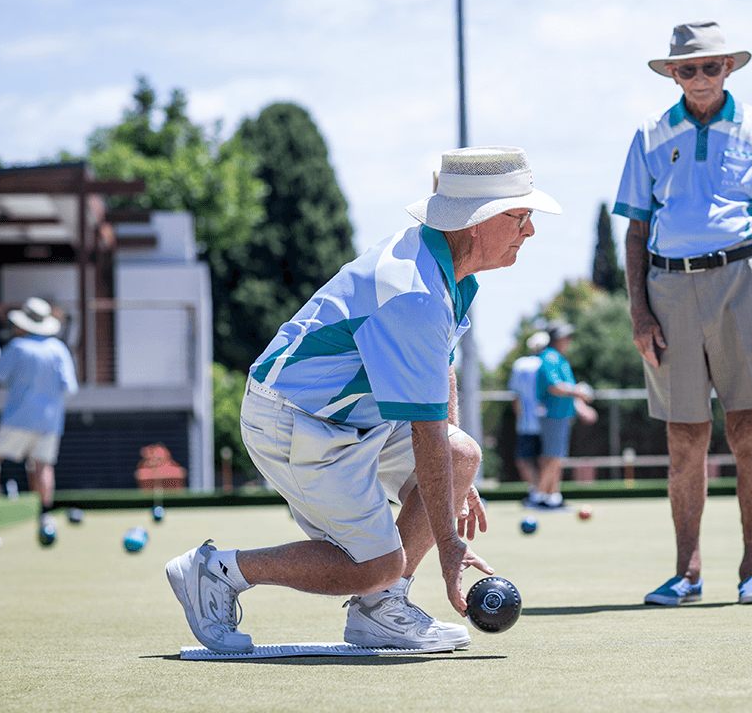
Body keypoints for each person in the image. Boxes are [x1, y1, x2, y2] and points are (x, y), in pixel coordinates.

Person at [166, 146, 561, 654]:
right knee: (375, 566)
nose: (529, 231)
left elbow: (440, 375)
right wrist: (448, 546)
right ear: (475, 221)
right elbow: (426, 431)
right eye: (521, 216)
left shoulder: (447, 272)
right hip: (295, 418)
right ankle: (217, 571)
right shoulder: (414, 291)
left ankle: (381, 612)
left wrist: (456, 485)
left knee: (461, 455)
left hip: (352, 418)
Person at [613, 21, 752, 606]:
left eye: (709, 66)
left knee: (749, 429)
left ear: (729, 67)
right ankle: (687, 572)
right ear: (671, 73)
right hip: (668, 289)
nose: (698, 76)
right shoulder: (649, 133)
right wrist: (639, 314)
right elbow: (635, 230)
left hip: (747, 281)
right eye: (686, 68)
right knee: (684, 437)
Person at [0, 297, 77, 525]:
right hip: (50, 419)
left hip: (19, 416)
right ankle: (45, 514)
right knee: (44, 465)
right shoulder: (58, 348)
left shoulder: (18, 347)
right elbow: (69, 386)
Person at [531, 321, 597, 509]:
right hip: (553, 414)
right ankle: (539, 498)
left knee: (556, 457)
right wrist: (578, 391)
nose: (568, 340)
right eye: (564, 336)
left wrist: (581, 406)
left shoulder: (559, 359)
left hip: (561, 415)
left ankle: (553, 497)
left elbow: (567, 390)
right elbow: (555, 387)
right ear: (556, 339)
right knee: (552, 456)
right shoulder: (550, 358)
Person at [509, 329, 549, 505]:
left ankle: (536, 492)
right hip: (548, 420)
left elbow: (515, 397)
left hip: (526, 423)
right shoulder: (549, 362)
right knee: (547, 459)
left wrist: (519, 419)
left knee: (523, 459)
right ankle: (543, 494)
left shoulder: (520, 364)